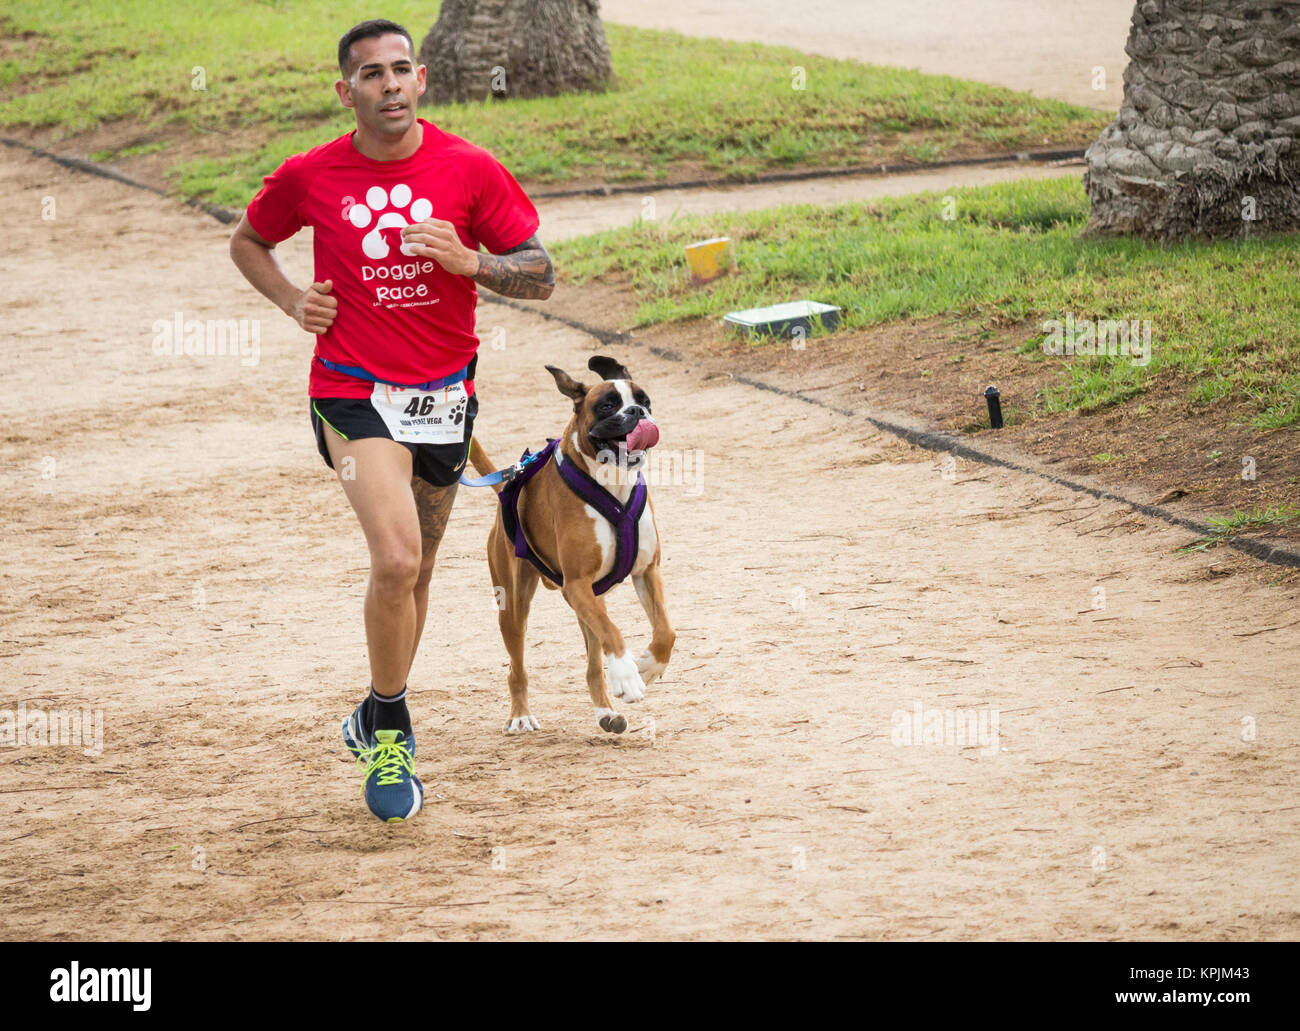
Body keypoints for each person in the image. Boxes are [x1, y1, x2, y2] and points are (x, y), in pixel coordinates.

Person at [228, 18, 554, 823]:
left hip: (443, 395)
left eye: (402, 69)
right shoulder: (311, 174)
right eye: (371, 74)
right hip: (350, 388)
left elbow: (543, 274)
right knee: (397, 559)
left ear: (422, 80)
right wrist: (291, 299)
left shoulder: (469, 167)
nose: (391, 84)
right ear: (347, 91)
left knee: (422, 574)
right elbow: (249, 240)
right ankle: (394, 732)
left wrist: (471, 262)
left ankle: (372, 707)